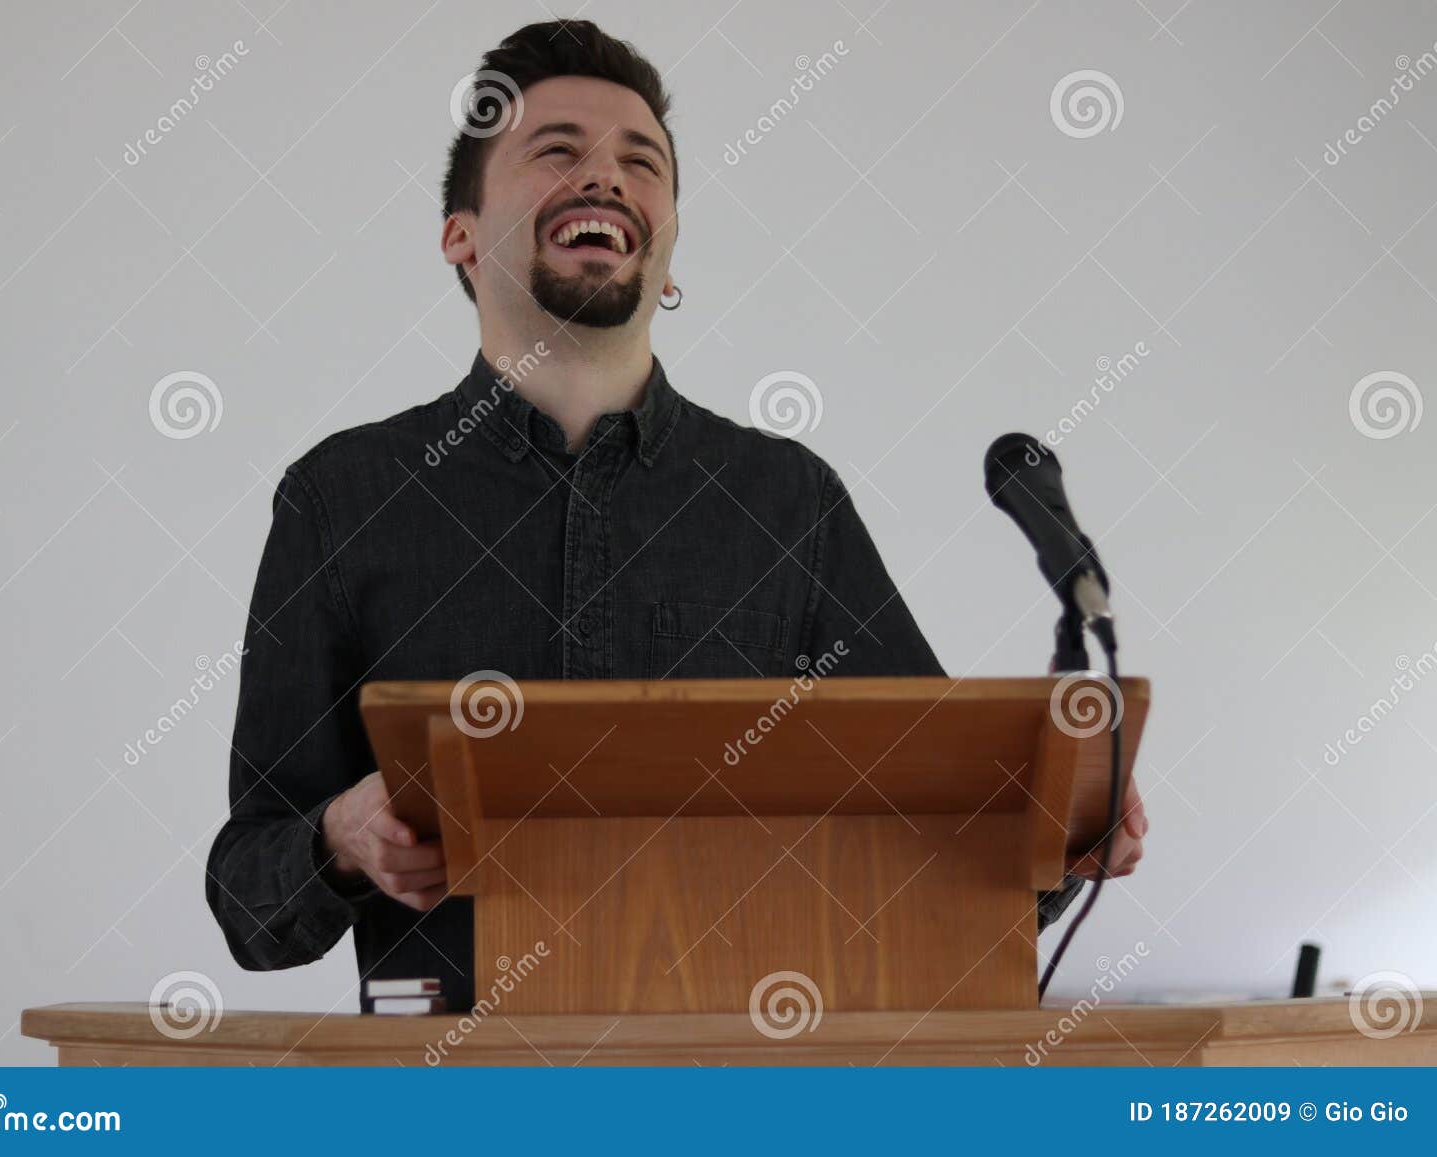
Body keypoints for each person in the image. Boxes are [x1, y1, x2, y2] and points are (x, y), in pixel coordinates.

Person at [205, 18, 1146, 1011]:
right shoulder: (342, 498)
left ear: (669, 245)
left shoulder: (788, 502)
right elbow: (248, 901)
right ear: (461, 234)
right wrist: (338, 842)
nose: (606, 176)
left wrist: (1057, 842)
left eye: (640, 161)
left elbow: (936, 842)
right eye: (557, 149)